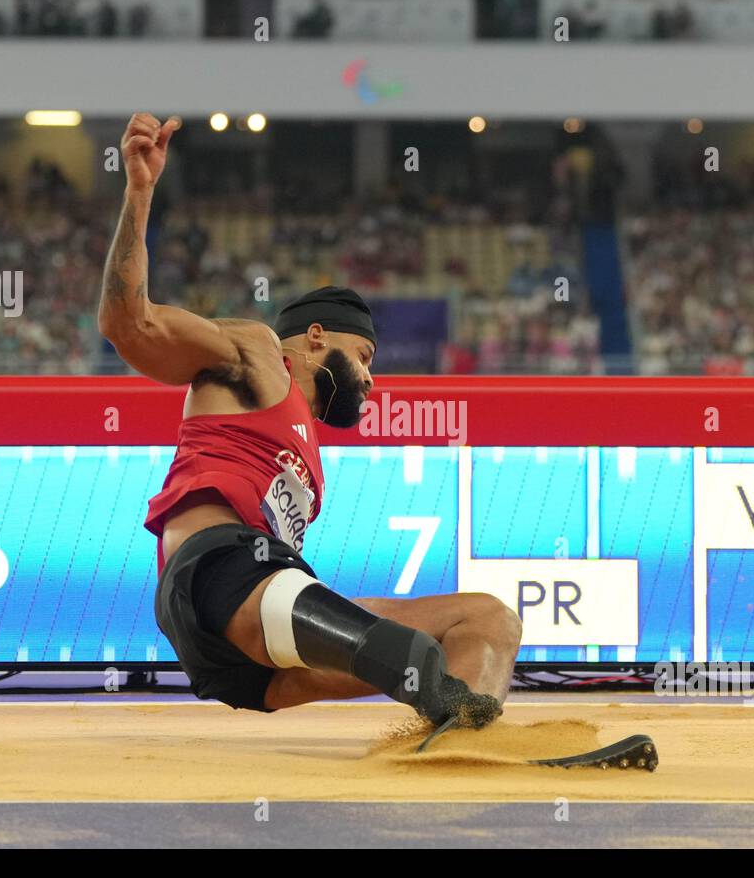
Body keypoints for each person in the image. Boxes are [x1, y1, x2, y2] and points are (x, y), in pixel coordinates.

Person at [97, 114, 519, 728]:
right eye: (366, 357)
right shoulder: (259, 352)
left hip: (258, 650)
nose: (373, 380)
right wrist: (139, 194)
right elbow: (127, 324)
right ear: (316, 339)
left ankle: (466, 740)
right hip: (215, 574)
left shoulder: (306, 450)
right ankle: (455, 717)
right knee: (404, 655)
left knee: (486, 620)